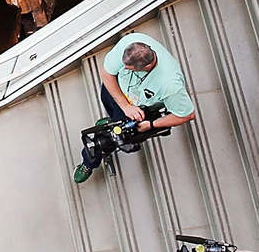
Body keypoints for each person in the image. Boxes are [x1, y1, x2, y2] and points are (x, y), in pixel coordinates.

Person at [74, 33, 197, 182]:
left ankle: (89, 163)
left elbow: (187, 114)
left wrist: (151, 125)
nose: (124, 69)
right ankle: (111, 120)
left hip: (137, 109)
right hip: (118, 94)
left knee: (108, 140)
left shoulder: (170, 85)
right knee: (110, 108)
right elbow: (107, 75)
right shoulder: (130, 43)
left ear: (147, 67)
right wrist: (125, 106)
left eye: (130, 69)